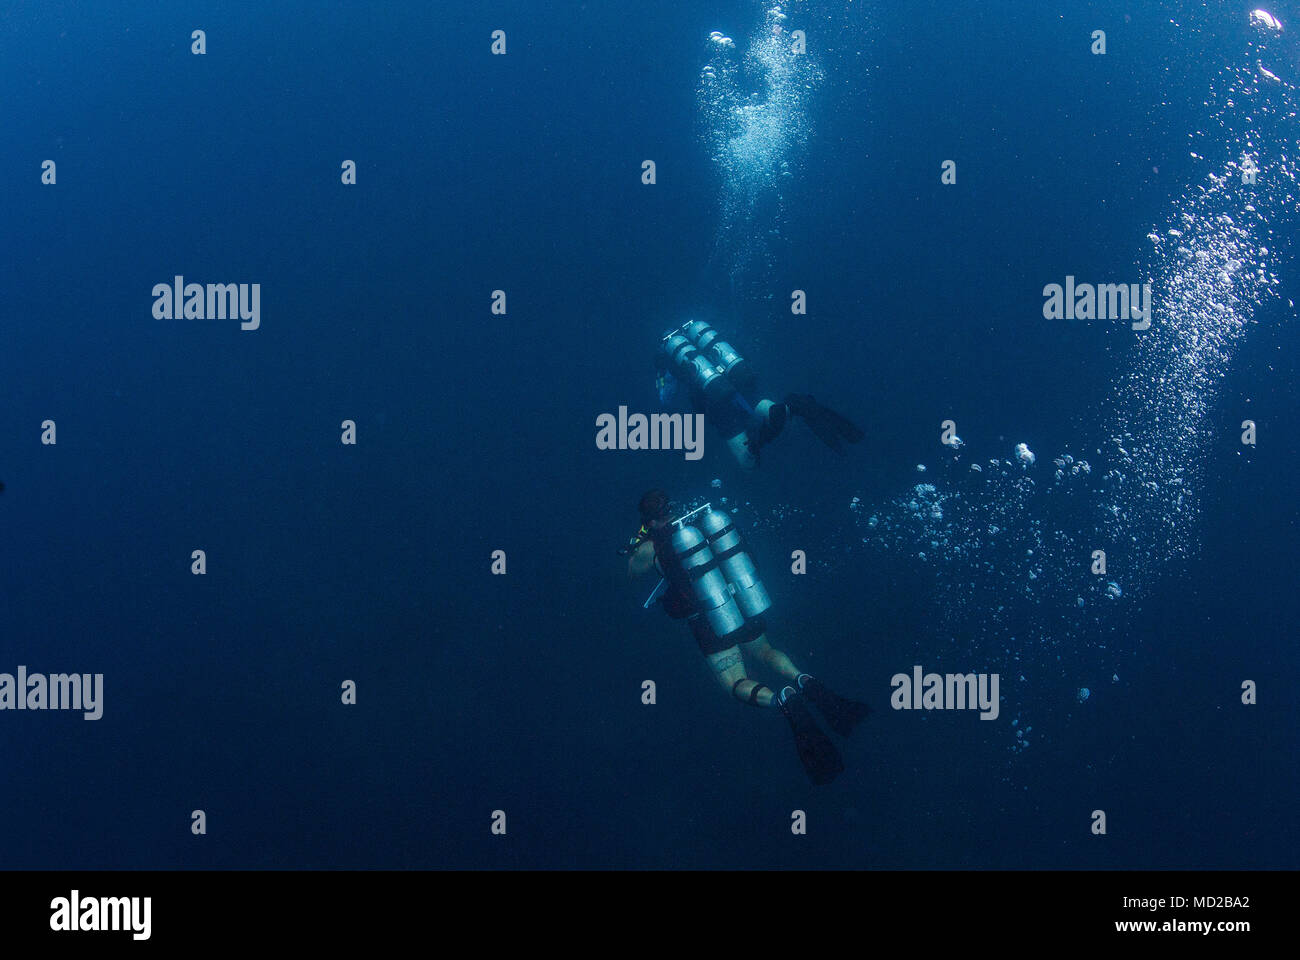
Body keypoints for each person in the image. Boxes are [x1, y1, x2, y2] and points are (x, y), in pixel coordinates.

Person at [625, 488, 870, 785]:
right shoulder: (699, 522)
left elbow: (632, 572)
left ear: (649, 521)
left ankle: (783, 699)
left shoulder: (652, 546)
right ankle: (805, 681)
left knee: (733, 682)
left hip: (706, 619)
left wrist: (637, 542)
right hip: (741, 599)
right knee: (767, 651)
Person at [656, 321, 864, 470]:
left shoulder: (667, 356)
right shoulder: (706, 335)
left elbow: (666, 397)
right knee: (765, 408)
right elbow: (739, 352)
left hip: (716, 405)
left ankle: (763, 444)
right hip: (742, 383)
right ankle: (790, 410)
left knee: (748, 463)